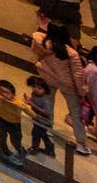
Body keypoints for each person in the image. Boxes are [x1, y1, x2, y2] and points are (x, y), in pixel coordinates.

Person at [31, 21, 91, 155]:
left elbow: (36, 35)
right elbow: (77, 75)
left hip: (47, 78)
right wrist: (82, 92)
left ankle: (47, 130)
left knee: (48, 106)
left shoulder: (41, 43)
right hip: (67, 85)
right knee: (76, 114)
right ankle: (81, 143)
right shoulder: (71, 53)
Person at [24, 76, 57, 158]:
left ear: (45, 90)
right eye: (34, 87)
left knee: (36, 133)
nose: (36, 89)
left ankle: (34, 148)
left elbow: (48, 113)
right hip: (37, 119)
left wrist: (32, 104)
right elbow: (33, 100)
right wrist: (29, 100)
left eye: (39, 88)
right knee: (42, 134)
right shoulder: (34, 94)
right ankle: (50, 148)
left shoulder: (45, 100)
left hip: (44, 121)